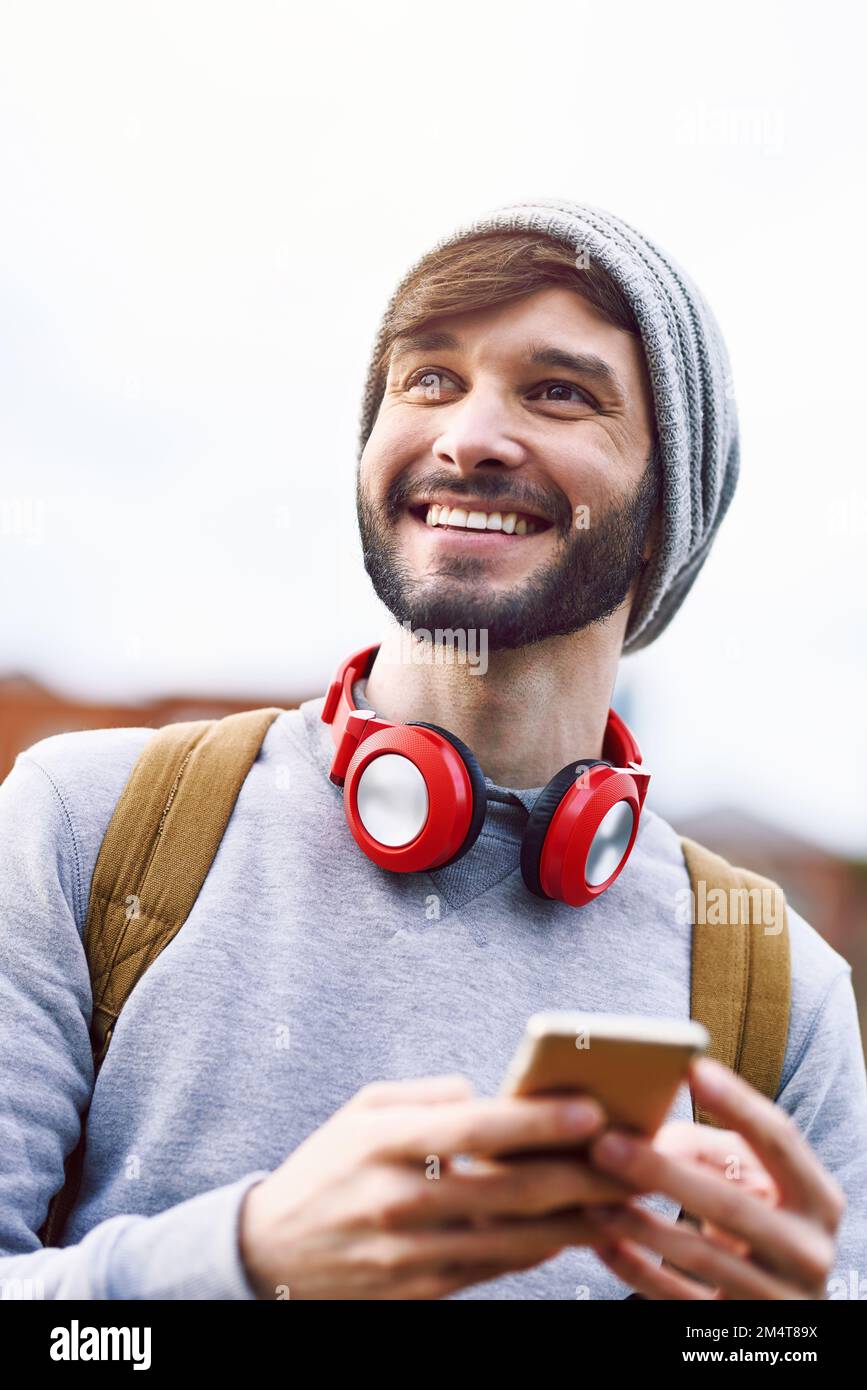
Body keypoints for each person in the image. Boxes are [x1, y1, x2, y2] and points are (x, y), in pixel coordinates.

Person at [0, 199, 864, 1301]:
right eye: (429, 380)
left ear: (666, 509)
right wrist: (246, 1258)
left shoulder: (779, 988)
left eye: (557, 391)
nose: (468, 437)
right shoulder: (87, 829)